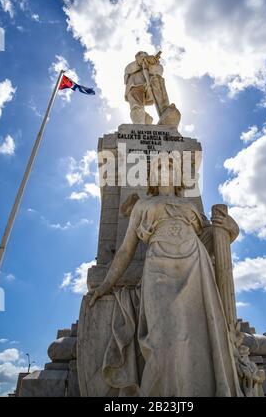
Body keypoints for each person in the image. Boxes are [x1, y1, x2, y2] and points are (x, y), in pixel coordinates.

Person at [90, 157, 242, 397]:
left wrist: (231, 231)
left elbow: (212, 241)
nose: (165, 170)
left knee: (198, 343)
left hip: (195, 268)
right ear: (151, 175)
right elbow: (126, 250)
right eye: (160, 166)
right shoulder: (143, 205)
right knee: (163, 343)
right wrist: (106, 283)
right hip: (158, 269)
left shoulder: (190, 205)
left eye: (171, 166)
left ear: (179, 174)